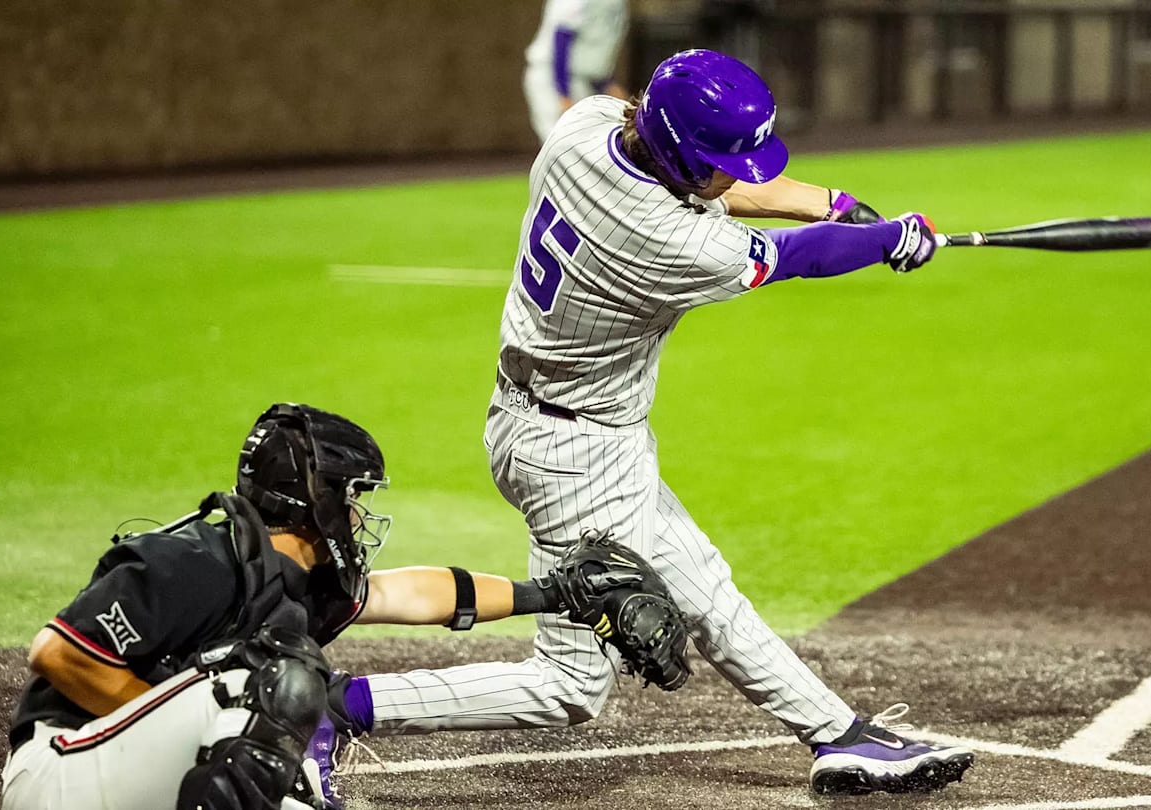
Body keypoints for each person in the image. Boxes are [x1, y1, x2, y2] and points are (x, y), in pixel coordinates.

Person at [323, 49, 973, 796]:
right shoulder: (669, 242)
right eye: (721, 163)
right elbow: (794, 257)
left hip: (551, 424)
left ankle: (839, 737)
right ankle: (330, 707)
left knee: (705, 591)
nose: (733, 175)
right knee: (570, 685)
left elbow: (723, 192)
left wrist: (833, 202)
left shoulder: (584, 127)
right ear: (682, 158)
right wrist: (887, 239)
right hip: (578, 453)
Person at [0, 403, 595, 810]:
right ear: (319, 500)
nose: (358, 516)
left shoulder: (294, 580)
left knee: (282, 753)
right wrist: (192, 727)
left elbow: (414, 594)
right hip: (61, 773)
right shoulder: (192, 563)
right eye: (353, 497)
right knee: (274, 692)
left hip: (132, 775)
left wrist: (552, 594)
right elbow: (56, 654)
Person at [524, 0, 629, 140]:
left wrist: (607, 84)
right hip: (552, 76)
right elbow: (561, 38)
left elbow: (591, 46)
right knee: (561, 143)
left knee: (583, 143)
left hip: (582, 81)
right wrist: (564, 94)